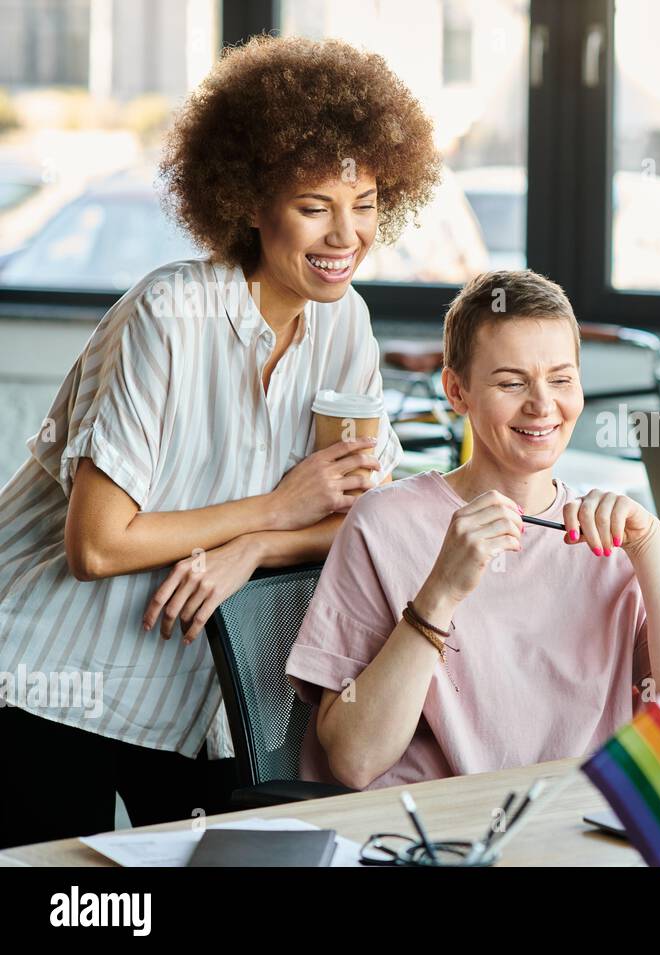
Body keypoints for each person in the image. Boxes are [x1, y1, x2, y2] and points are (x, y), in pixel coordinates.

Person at [0, 35, 441, 848]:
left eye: (368, 202)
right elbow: (96, 545)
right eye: (316, 206)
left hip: (197, 687)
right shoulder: (168, 314)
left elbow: (365, 518)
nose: (347, 235)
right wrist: (273, 509)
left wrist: (252, 548)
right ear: (248, 201)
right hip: (48, 676)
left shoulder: (347, 325)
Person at [285, 270, 660, 790]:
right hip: (442, 832)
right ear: (457, 391)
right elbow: (354, 760)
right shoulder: (384, 523)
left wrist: (650, 548)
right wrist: (440, 593)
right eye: (511, 382)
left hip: (578, 825)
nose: (542, 405)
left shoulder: (613, 536)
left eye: (561, 380)